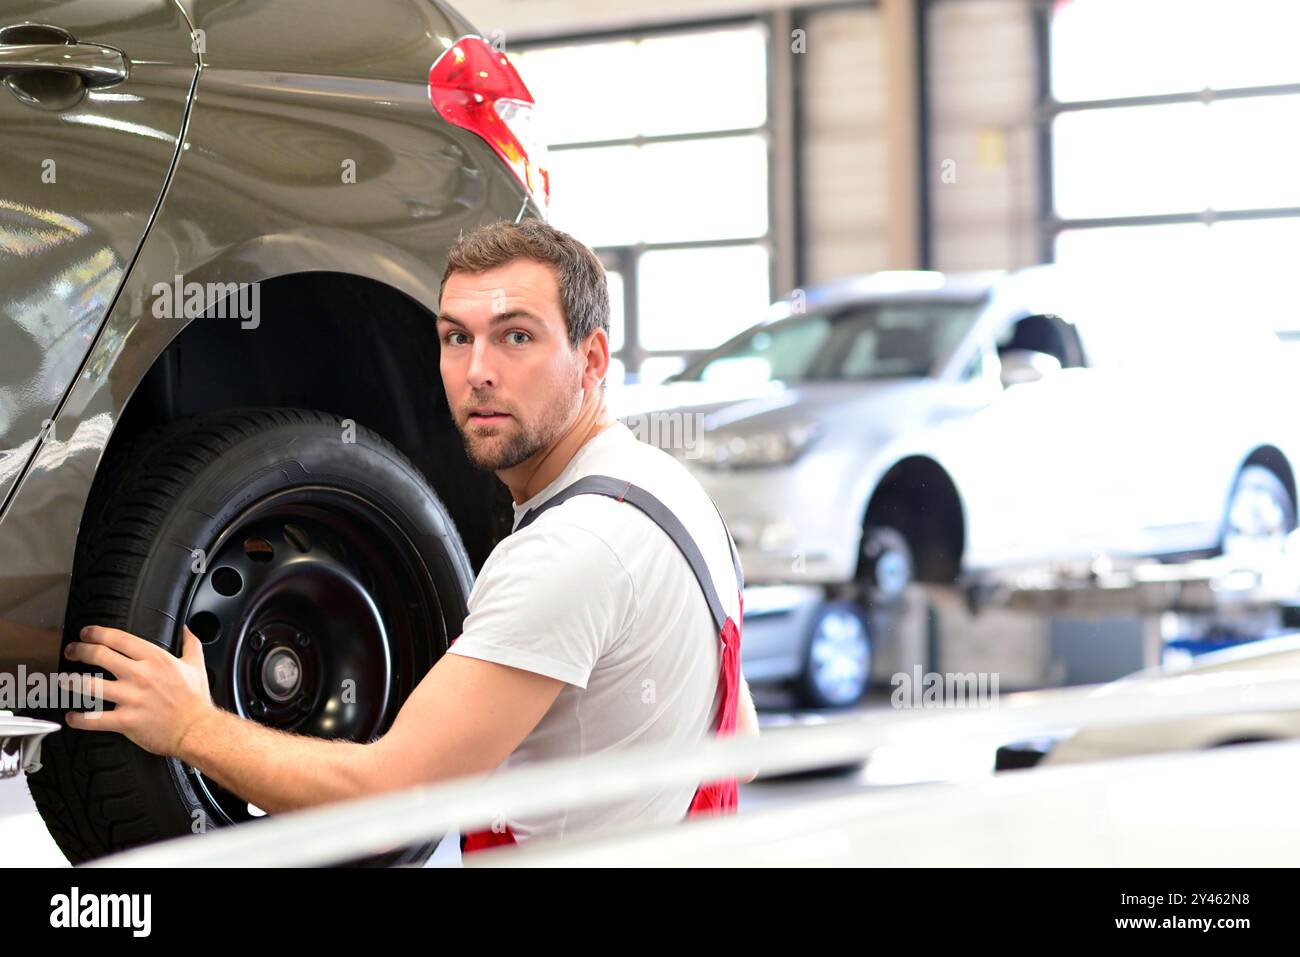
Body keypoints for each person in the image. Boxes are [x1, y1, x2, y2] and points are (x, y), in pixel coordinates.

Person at [64, 218, 759, 849]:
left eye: (517, 335)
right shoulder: (676, 497)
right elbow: (743, 744)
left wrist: (191, 726)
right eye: (458, 337)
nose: (478, 371)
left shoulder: (570, 549)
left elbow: (389, 796)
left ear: (593, 358)